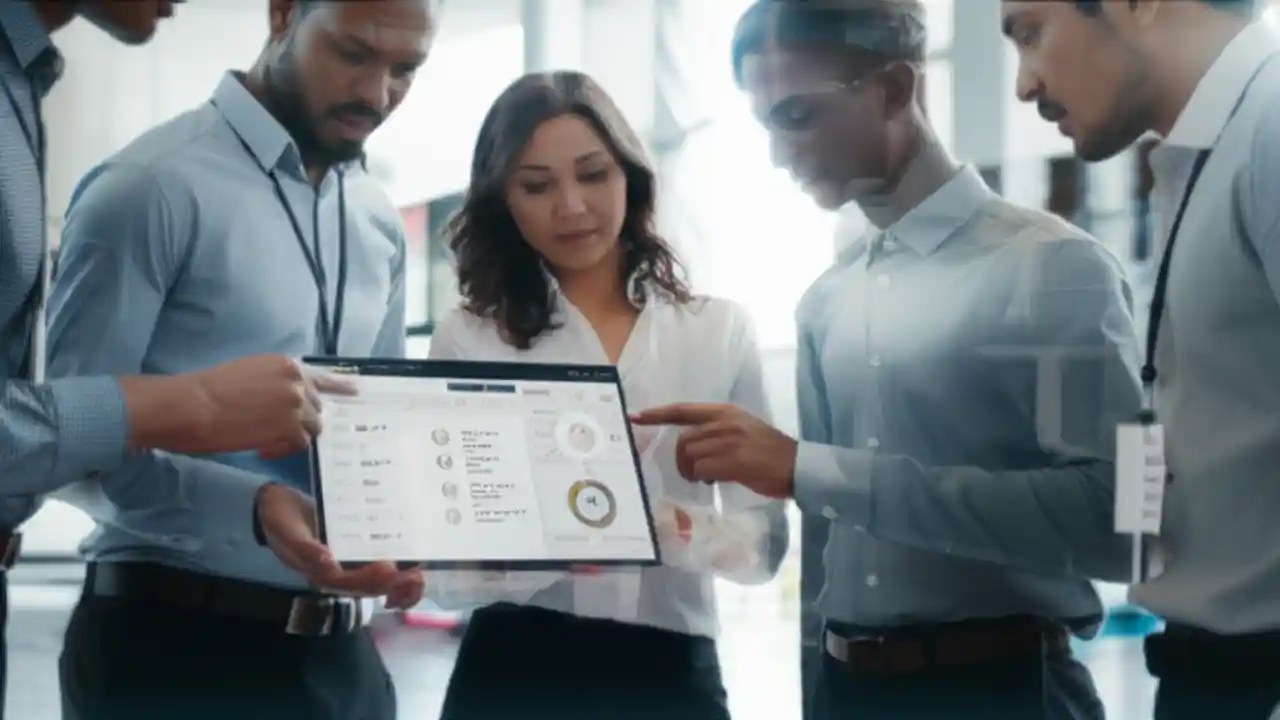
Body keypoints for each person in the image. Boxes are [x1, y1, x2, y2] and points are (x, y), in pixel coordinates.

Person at [633, 1, 1144, 718]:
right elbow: (826, 547)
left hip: (1007, 695)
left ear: (897, 89)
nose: (781, 156)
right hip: (849, 693)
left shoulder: (1054, 268)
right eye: (766, 126)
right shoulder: (825, 303)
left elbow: (1121, 527)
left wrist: (809, 468)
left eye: (798, 117)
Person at [0, 0, 414, 715]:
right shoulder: (147, 187)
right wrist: (251, 507)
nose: (377, 95)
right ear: (283, 13)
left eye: (405, 69)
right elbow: (63, 447)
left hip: (346, 665)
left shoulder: (378, 220)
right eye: (353, 54)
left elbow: (377, 440)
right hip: (171, 650)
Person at [426, 70, 789, 720]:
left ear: (631, 176)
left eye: (594, 175)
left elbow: (766, 546)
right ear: (502, 198)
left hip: (670, 674)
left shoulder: (718, 330)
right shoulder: (469, 338)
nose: (571, 207)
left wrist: (672, 530)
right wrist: (565, 535)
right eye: (536, 186)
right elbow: (445, 573)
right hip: (510, 672)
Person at [1001, 1, 1280, 717]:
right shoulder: (1204, 157)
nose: (1024, 85)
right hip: (1212, 668)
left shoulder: (1272, 127)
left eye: (1030, 32)